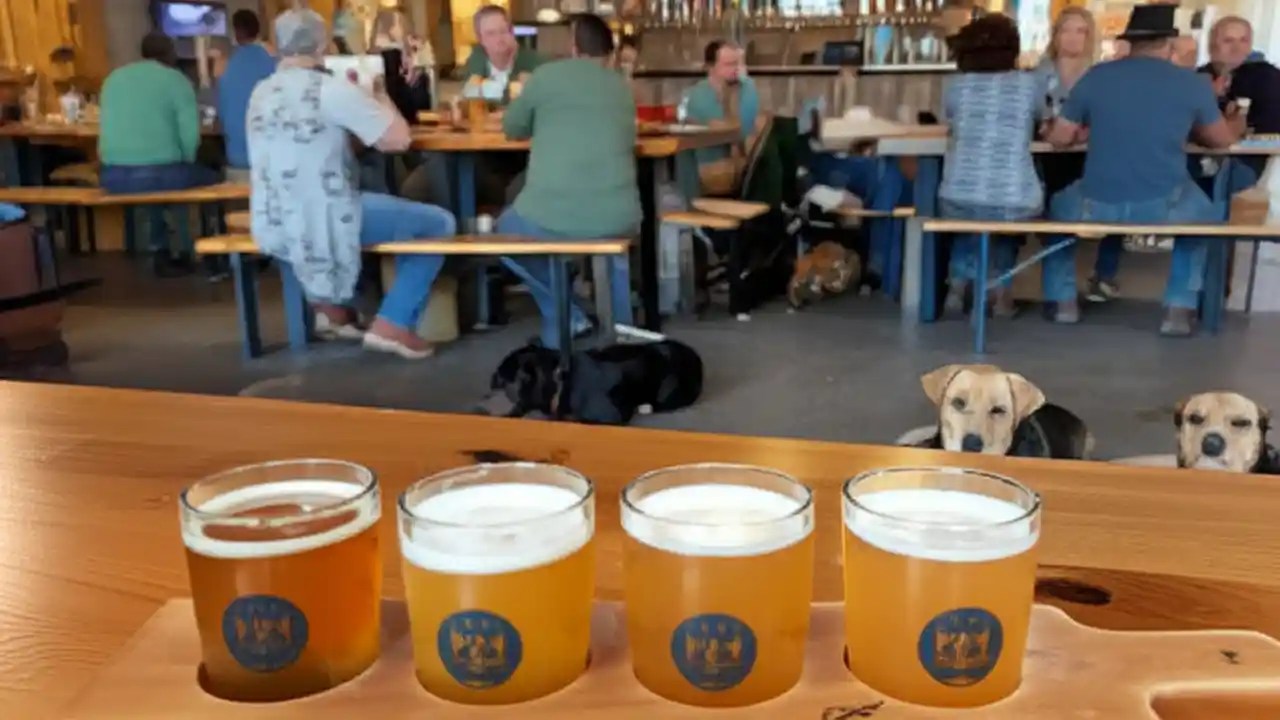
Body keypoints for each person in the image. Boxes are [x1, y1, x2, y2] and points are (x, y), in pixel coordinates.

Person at [247, 8, 456, 360]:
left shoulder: (261, 94)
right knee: (437, 225)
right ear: (323, 44)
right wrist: (377, 94)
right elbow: (398, 139)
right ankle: (393, 324)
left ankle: (330, 308)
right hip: (325, 218)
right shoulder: (329, 90)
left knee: (358, 196)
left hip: (272, 221)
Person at [1044, 4, 1246, 336]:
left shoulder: (1097, 76)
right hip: (1164, 202)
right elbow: (1220, 141)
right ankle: (1178, 309)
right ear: (1168, 45)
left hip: (1096, 202)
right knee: (1206, 219)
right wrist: (1235, 123)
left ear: (1131, 43)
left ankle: (1062, 302)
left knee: (1056, 210)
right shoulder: (1191, 83)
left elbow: (1060, 139)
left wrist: (1059, 128)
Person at [496, 13, 640, 349]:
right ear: (609, 52)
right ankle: (623, 335)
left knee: (505, 230)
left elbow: (512, 128)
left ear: (573, 46)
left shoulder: (545, 76)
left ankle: (569, 314)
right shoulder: (621, 86)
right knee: (610, 244)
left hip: (556, 218)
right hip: (621, 216)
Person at [937, 14, 1043, 319]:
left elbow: (950, 121)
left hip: (957, 195)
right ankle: (1001, 295)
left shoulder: (955, 86)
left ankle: (957, 289)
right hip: (1012, 200)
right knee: (1005, 221)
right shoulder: (1028, 85)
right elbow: (1040, 119)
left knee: (969, 222)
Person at [99, 33, 220, 276]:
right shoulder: (176, 80)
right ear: (170, 53)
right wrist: (186, 161)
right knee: (211, 177)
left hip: (113, 177)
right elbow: (190, 135)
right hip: (163, 173)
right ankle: (203, 250)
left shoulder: (113, 79)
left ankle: (160, 248)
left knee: (154, 184)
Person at [218, 10, 277, 185]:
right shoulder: (274, 63)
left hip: (238, 159)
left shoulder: (227, 67)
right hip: (271, 157)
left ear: (235, 32)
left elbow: (222, 116)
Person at [683, 40, 761, 171]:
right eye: (729, 64)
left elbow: (745, 129)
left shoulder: (746, 87)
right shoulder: (695, 95)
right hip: (705, 164)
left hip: (740, 165)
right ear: (710, 67)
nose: (736, 69)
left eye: (738, 63)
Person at [462, 5, 542, 101]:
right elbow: (468, 95)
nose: (499, 38)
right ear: (480, 39)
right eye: (491, 33)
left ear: (512, 32)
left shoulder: (537, 64)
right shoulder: (474, 62)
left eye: (503, 31)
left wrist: (484, 89)